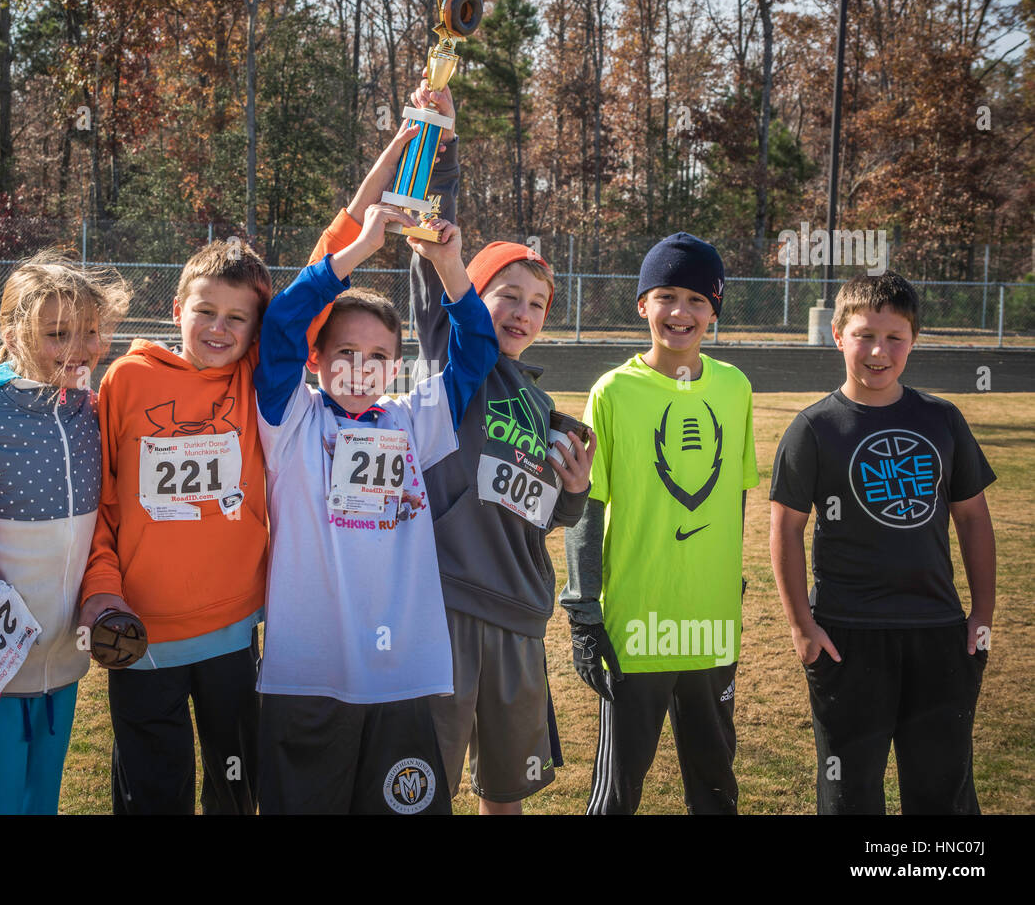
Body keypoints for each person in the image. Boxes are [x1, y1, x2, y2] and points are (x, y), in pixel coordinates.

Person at [253, 121, 500, 814]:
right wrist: (360, 248)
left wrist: (451, 266)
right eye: (345, 353)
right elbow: (278, 326)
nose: (361, 369)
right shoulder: (290, 418)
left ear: (396, 364)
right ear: (316, 360)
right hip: (308, 678)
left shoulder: (413, 420)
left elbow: (475, 355)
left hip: (400, 680)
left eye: (379, 356)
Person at [404, 80, 595, 814]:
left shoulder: (544, 406)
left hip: (520, 615)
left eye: (536, 303)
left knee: (508, 795)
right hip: (444, 606)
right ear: (472, 300)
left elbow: (551, 515)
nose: (520, 311)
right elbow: (432, 239)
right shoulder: (461, 359)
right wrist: (438, 146)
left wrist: (573, 489)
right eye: (505, 294)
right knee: (421, 792)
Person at [770, 271, 996, 814]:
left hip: (939, 632)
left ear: (913, 341)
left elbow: (972, 519)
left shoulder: (941, 419)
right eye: (865, 335)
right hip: (848, 636)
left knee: (943, 788)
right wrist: (804, 627)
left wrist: (981, 614)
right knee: (851, 792)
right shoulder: (815, 428)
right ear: (837, 336)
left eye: (895, 337)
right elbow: (786, 529)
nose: (879, 351)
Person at [0, 250, 130, 814]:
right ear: (13, 334)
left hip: (63, 669)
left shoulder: (95, 414)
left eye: (90, 332)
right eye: (57, 334)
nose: (80, 349)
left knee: (39, 805)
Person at [562, 233, 757, 814]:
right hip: (637, 621)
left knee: (715, 775)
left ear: (714, 310)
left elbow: (735, 496)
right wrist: (583, 608)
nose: (681, 312)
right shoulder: (614, 392)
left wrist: (731, 578)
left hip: (710, 619)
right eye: (666, 295)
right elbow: (587, 508)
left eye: (698, 299)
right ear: (642, 304)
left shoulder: (735, 386)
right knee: (620, 786)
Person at [79, 238, 273, 814]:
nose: (219, 328)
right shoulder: (127, 380)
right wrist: (103, 588)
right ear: (175, 310)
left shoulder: (257, 378)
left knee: (235, 787)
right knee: (152, 791)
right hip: (141, 634)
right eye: (205, 311)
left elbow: (307, 301)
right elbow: (103, 503)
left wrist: (361, 230)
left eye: (238, 318)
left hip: (233, 629)